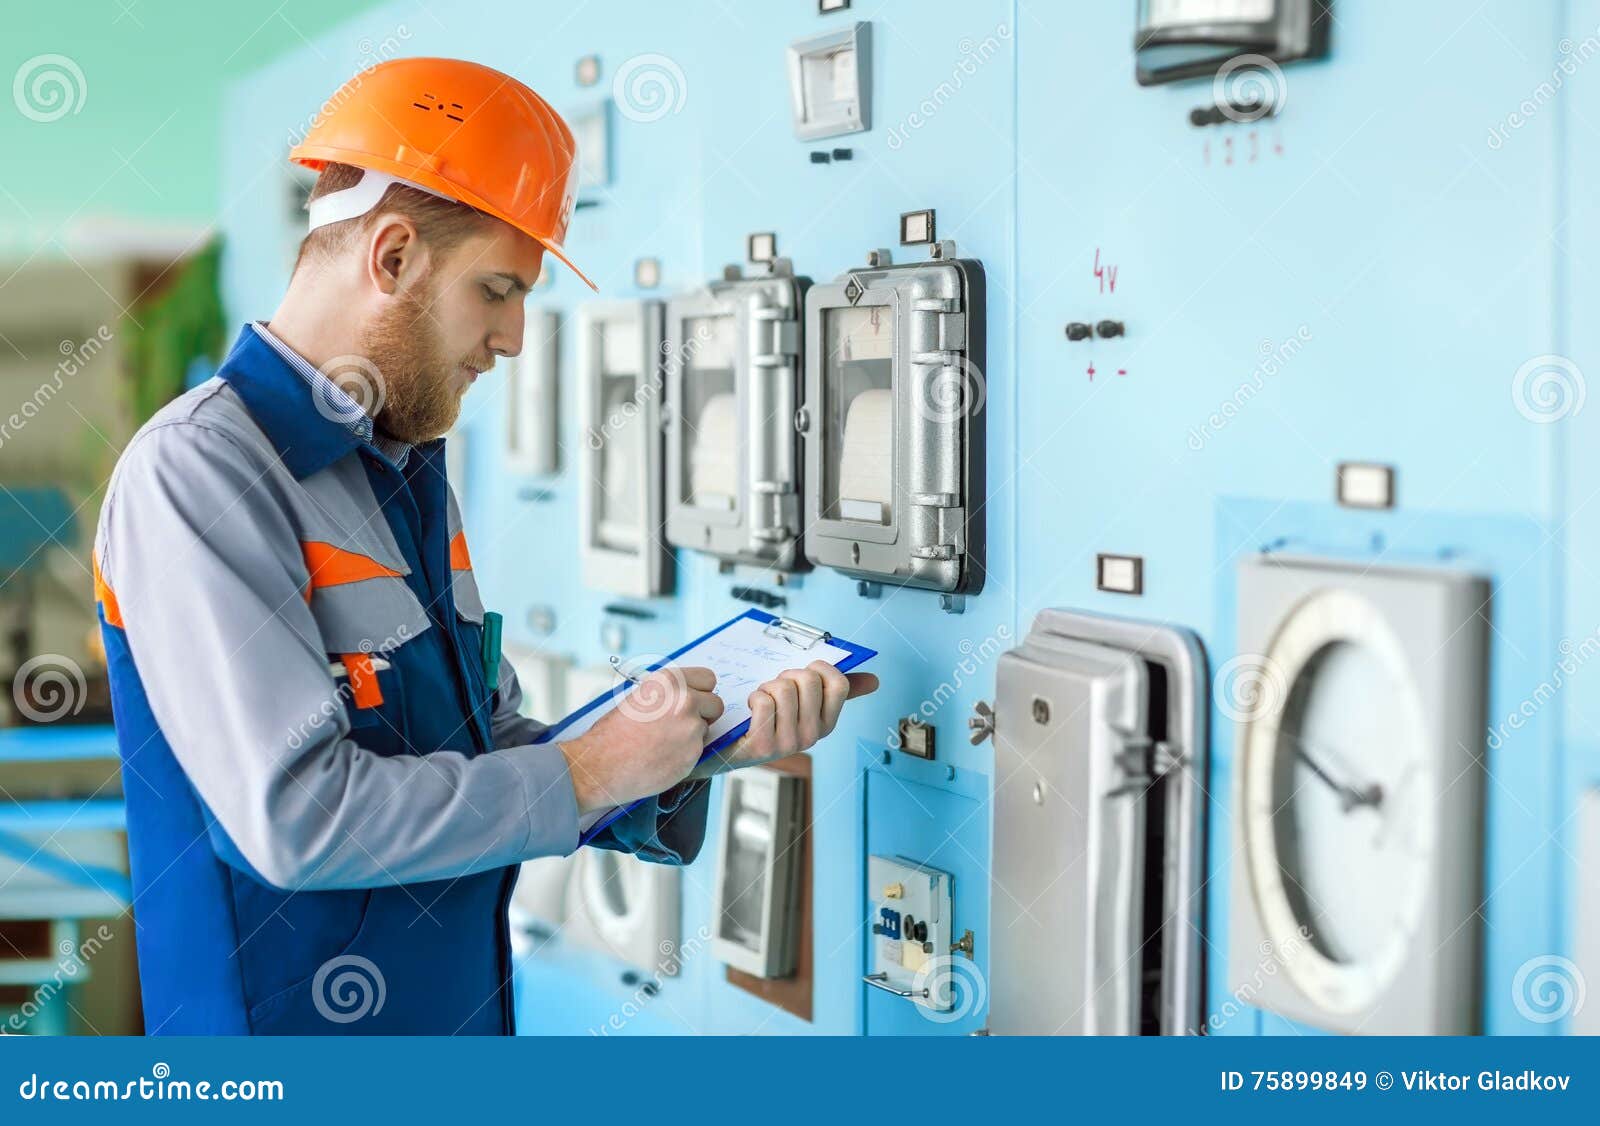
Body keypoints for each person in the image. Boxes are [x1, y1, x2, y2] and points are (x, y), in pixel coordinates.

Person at [91, 57, 876, 1035]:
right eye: (497, 289)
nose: (511, 336)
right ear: (392, 257)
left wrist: (685, 751)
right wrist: (589, 770)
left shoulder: (403, 466)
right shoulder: (201, 473)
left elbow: (478, 754)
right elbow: (297, 818)